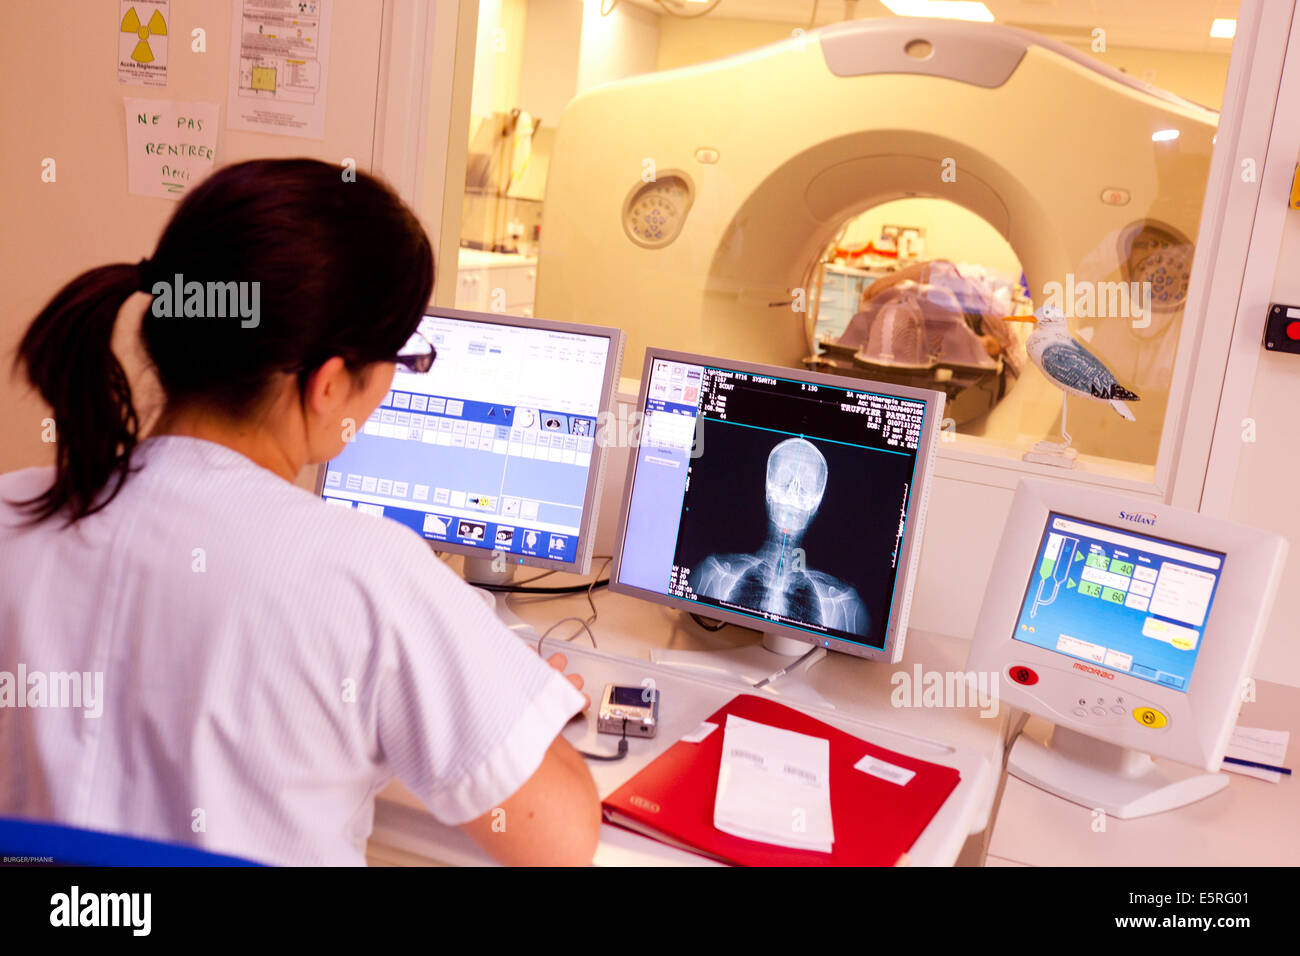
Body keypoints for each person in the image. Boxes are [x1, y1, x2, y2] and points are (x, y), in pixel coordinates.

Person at [0, 159, 600, 866]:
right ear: (328, 383)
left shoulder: (14, 511)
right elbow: (560, 842)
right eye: (402, 360)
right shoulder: (367, 575)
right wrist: (512, 706)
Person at [690, 437, 867, 635]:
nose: (792, 494)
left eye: (805, 487)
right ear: (768, 488)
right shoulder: (714, 575)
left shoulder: (843, 607)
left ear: (817, 502)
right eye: (784, 481)